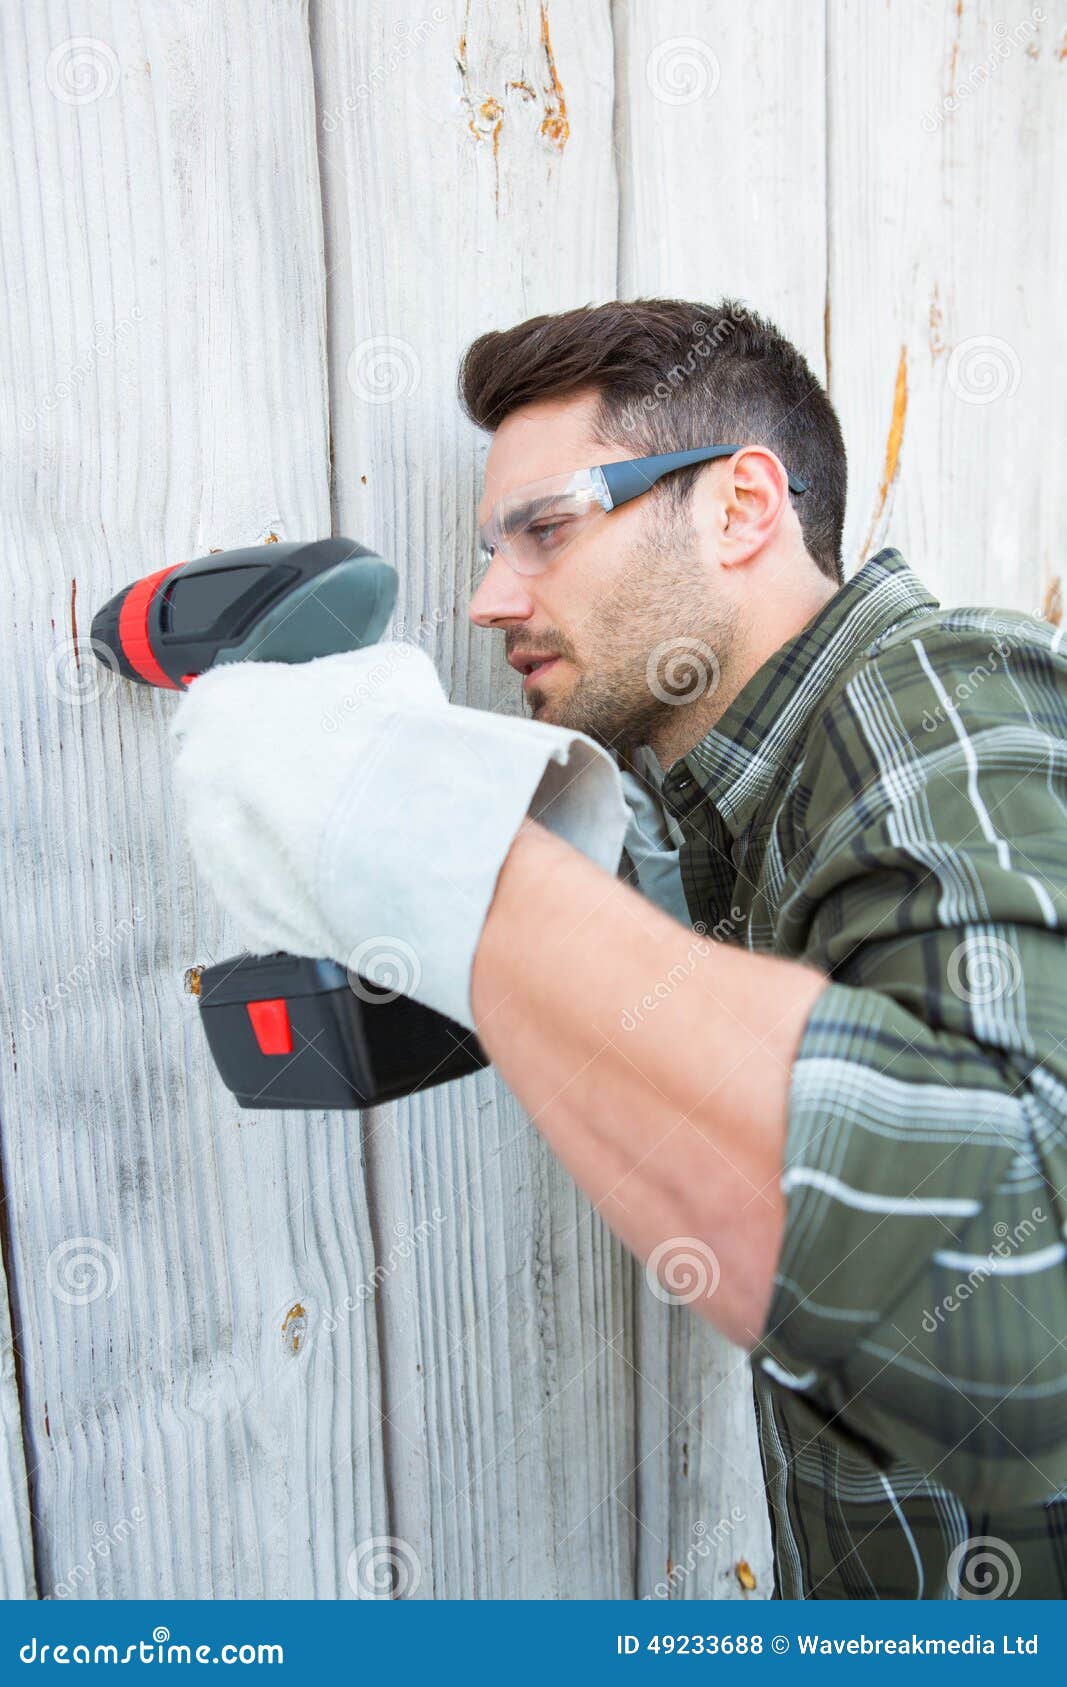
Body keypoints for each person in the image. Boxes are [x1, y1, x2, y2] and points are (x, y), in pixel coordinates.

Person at [173, 298, 1067, 1599]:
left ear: (741, 506)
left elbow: (1025, 1309)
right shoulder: (706, 812)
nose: (488, 598)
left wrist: (415, 836)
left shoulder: (936, 694)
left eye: (545, 527)